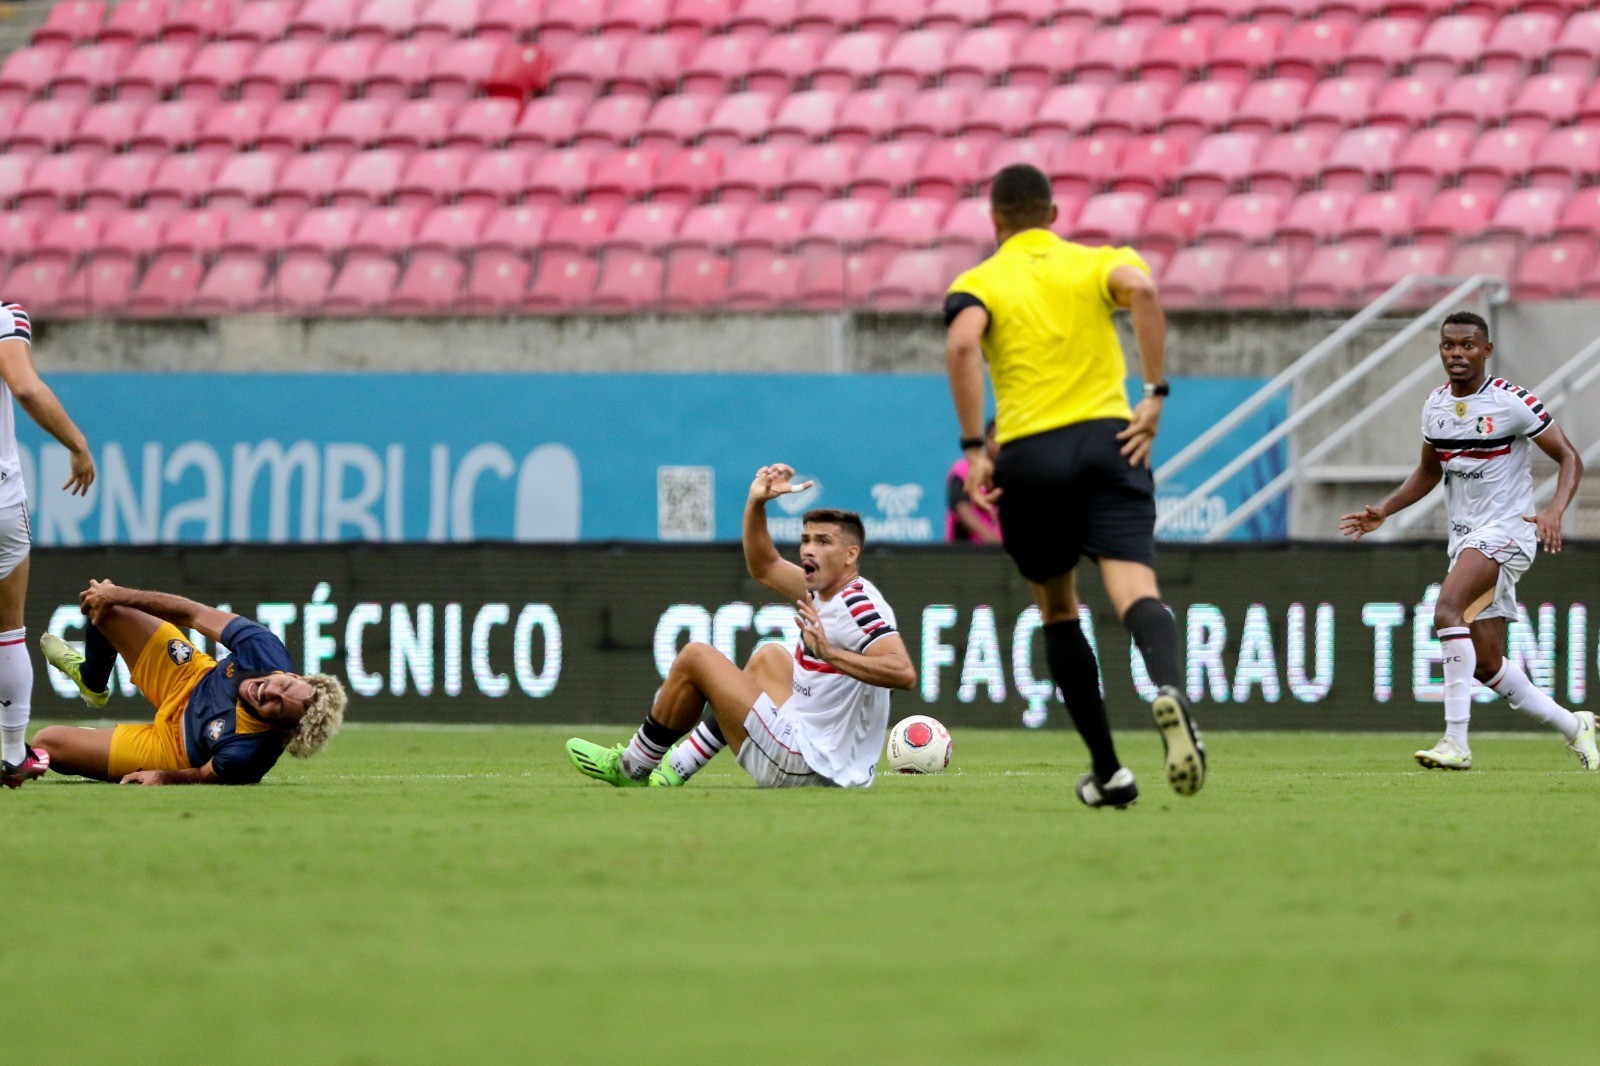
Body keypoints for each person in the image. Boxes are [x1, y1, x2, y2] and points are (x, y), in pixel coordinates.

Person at [943, 163, 1206, 810]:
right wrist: (1154, 395)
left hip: (1030, 455)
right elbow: (1143, 292)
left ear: (995, 220)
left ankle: (1109, 772)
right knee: (1135, 591)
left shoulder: (979, 281)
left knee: (1059, 609)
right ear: (1054, 215)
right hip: (1112, 443)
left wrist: (977, 449)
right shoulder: (1097, 263)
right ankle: (1169, 691)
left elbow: (961, 347)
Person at [1340, 311, 1595, 771]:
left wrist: (1554, 510)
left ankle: (1455, 742)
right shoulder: (1434, 406)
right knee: (1487, 664)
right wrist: (1385, 509)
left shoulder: (1512, 402)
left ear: (1487, 350)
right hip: (1465, 540)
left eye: (1467, 345)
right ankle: (1576, 726)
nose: (1457, 354)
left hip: (1509, 532)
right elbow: (1429, 471)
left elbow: (1569, 457)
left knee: (1445, 610)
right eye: (1448, 346)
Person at [566, 463, 916, 789]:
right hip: (829, 763)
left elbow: (903, 673)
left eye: (823, 542)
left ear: (850, 554)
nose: (809, 549)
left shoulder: (856, 605)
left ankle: (632, 767)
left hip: (808, 767)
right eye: (806, 539)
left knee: (696, 657)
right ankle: (677, 768)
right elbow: (764, 565)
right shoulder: (826, 590)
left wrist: (831, 654)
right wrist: (756, 503)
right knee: (769, 657)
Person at [30, 579, 347, 785]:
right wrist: (119, 593)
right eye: (286, 686)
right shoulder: (264, 649)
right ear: (293, 676)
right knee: (107, 605)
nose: (271, 691)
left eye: (278, 707)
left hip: (172, 748)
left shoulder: (250, 755)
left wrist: (164, 777)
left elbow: (199, 774)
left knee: (47, 742)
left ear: (282, 730)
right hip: (188, 676)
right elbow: (193, 613)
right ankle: (92, 681)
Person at [0, 300, 96, 789]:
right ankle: (13, 754)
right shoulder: (4, 316)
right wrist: (77, 444)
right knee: (8, 631)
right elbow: (25, 386)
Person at [947, 418, 1003, 544]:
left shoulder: (1013, 472)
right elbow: (961, 509)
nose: (998, 445)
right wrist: (993, 541)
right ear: (986, 440)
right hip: (969, 556)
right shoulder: (963, 470)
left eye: (1003, 440)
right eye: (994, 439)